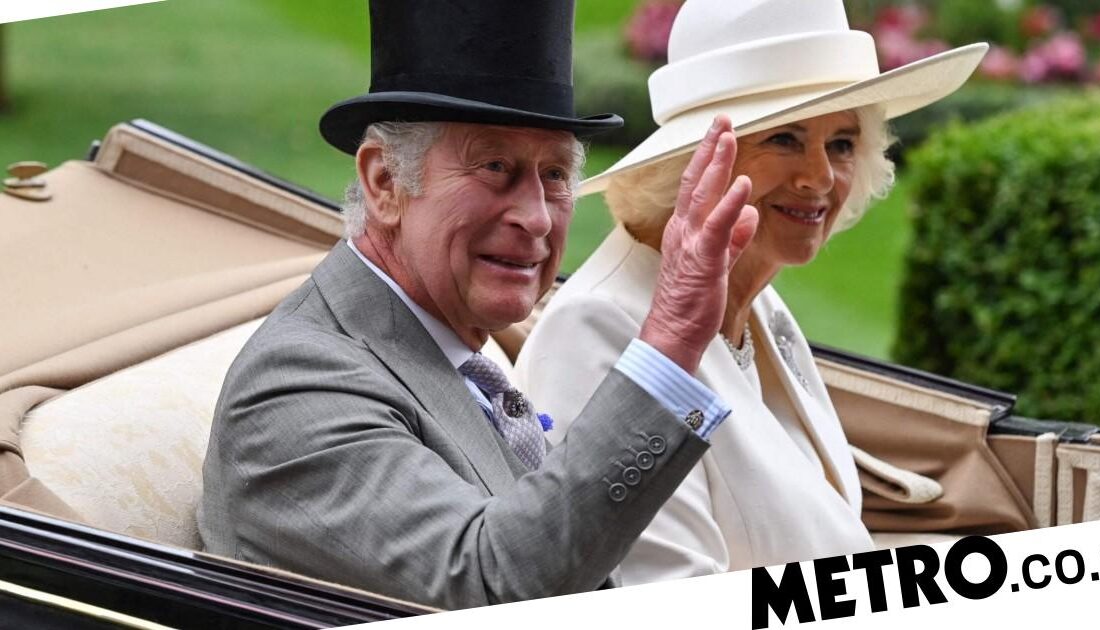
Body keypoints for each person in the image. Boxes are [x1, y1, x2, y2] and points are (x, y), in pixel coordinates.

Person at [198, 0, 760, 610]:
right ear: (385, 183)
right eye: (495, 167)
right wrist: (672, 336)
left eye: (554, 175)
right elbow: (493, 587)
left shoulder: (457, 353)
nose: (537, 218)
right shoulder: (298, 384)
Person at [516, 0, 988, 584]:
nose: (818, 177)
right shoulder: (597, 328)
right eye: (786, 139)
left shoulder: (757, 299)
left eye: (841, 143)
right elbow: (670, 597)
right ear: (696, 162)